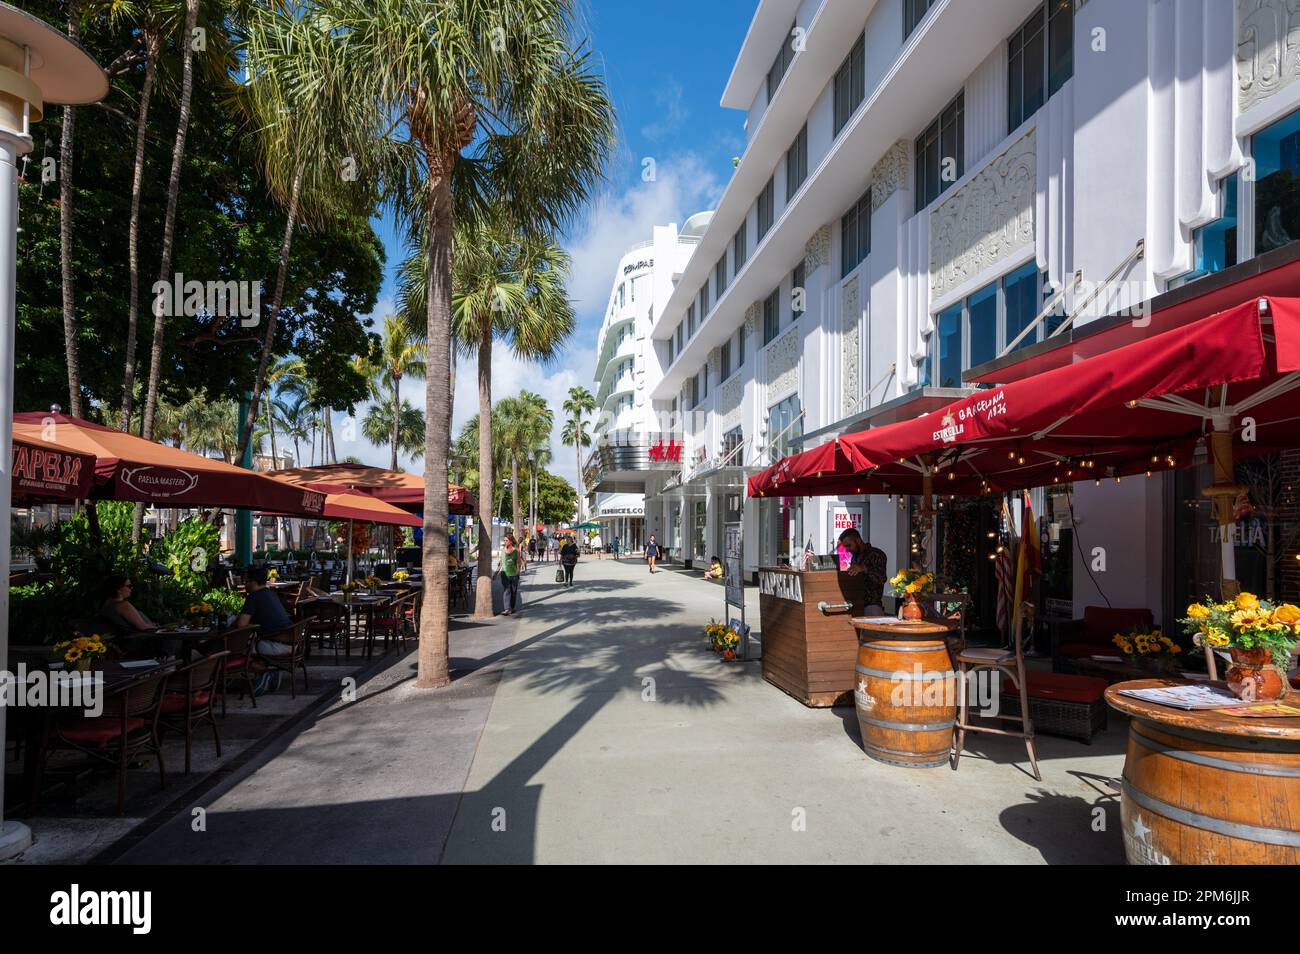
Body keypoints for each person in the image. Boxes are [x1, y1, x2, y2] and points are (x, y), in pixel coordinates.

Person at [236, 567, 296, 694]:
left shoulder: (254, 597)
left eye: (246, 581)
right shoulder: (271, 593)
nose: (244, 585)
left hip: (275, 645)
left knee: (236, 648)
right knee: (251, 640)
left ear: (253, 582)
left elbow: (241, 625)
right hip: (292, 643)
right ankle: (269, 669)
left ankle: (265, 671)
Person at [837, 528, 888, 615]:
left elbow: (882, 578)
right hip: (856, 604)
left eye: (849, 545)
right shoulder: (854, 557)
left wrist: (864, 568)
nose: (847, 549)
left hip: (872, 605)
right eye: (846, 547)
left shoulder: (876, 554)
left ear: (858, 540)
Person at [500, 533, 521, 615]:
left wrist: (518, 571)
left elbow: (518, 562)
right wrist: (496, 573)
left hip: (514, 574)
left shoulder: (516, 551)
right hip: (504, 574)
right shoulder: (503, 551)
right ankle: (506, 609)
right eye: (504, 540)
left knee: (513, 592)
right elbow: (501, 562)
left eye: (506, 540)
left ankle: (512, 607)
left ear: (511, 541)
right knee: (506, 590)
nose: (505, 542)